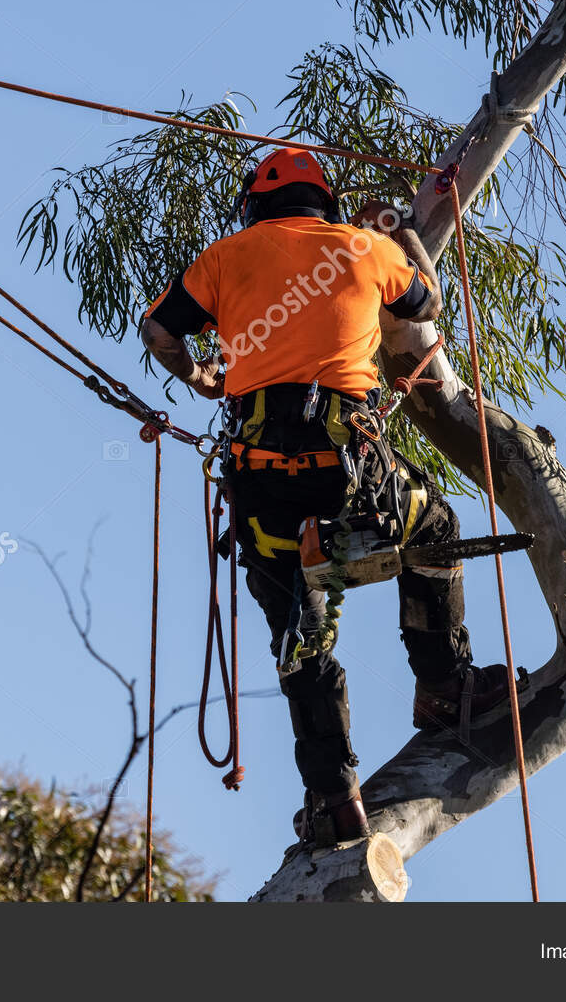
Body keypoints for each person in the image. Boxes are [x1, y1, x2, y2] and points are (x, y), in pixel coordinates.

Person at [140, 147, 511, 846]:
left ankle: (334, 796)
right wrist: (401, 231)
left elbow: (159, 331)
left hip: (263, 489)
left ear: (255, 206)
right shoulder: (365, 247)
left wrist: (202, 378)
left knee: (298, 630)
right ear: (325, 204)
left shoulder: (224, 256)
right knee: (432, 526)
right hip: (352, 482)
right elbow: (426, 300)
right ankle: (444, 685)